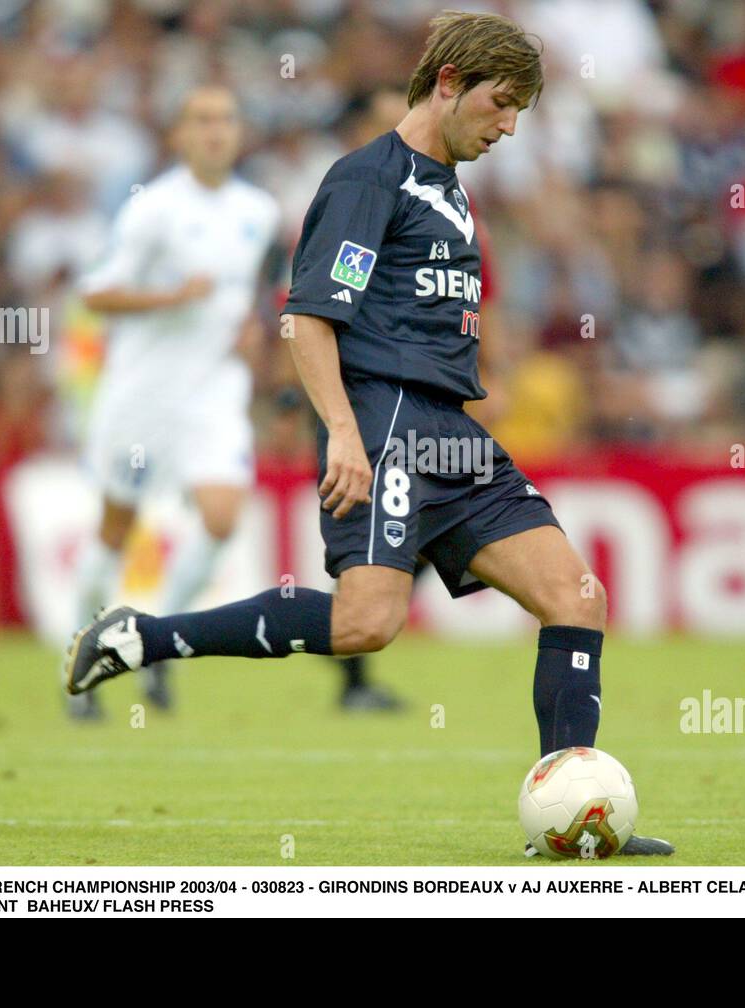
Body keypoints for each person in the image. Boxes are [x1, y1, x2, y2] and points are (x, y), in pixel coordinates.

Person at [65, 13, 672, 856]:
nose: (509, 128)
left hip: (451, 434)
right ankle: (144, 636)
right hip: (385, 422)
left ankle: (574, 819)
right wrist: (344, 435)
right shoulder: (366, 181)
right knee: (365, 626)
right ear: (450, 83)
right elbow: (308, 319)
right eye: (501, 106)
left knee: (576, 598)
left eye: (521, 113)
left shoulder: (452, 189)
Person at [70, 86, 398, 718]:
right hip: (140, 391)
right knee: (116, 527)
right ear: (180, 135)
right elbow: (96, 291)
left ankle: (147, 642)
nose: (216, 131)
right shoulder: (154, 209)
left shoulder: (257, 210)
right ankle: (83, 648)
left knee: (221, 518)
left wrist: (267, 362)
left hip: (213, 390)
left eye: (226, 119)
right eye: (202, 121)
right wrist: (170, 299)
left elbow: (276, 296)